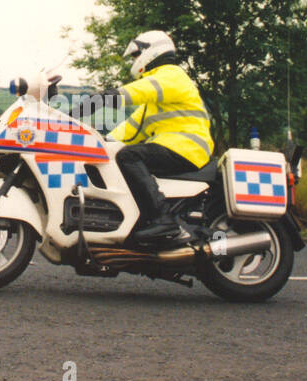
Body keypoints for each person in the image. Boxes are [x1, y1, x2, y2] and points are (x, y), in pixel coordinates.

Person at [87, 30, 214, 242]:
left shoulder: (171, 75)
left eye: (136, 55)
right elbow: (130, 129)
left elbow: (140, 91)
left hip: (188, 148)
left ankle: (163, 220)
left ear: (151, 51)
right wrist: (98, 141)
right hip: (176, 148)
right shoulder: (154, 103)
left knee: (129, 157)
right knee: (118, 155)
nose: (135, 61)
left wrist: (107, 97)